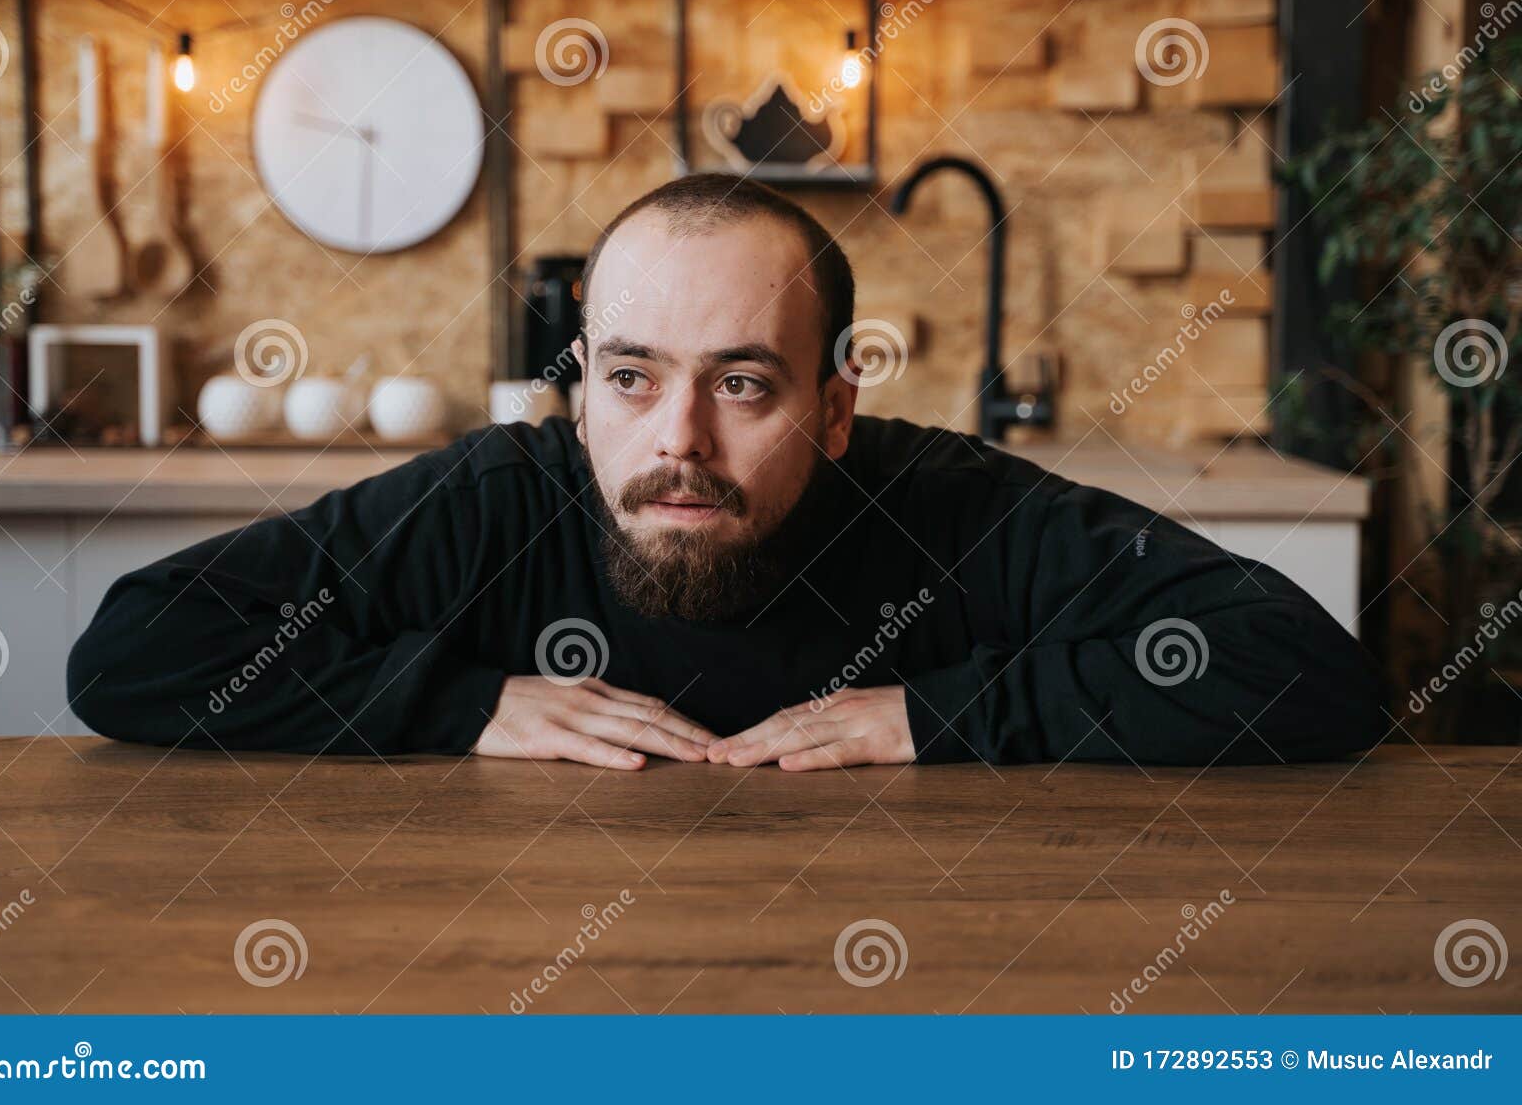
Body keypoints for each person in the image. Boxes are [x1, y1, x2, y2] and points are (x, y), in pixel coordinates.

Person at [67, 174, 1388, 772]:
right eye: (632, 378)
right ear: (582, 382)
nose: (677, 439)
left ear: (832, 406)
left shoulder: (948, 508)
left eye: (743, 383)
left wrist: (944, 716)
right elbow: (135, 647)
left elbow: (1304, 666)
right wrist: (451, 701)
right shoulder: (498, 499)